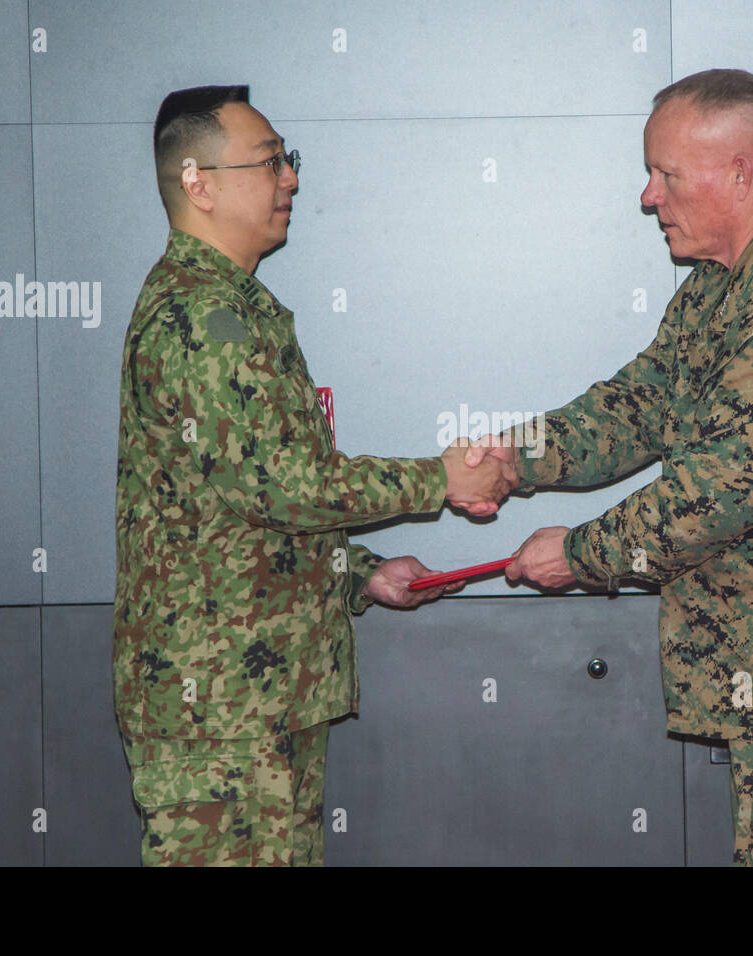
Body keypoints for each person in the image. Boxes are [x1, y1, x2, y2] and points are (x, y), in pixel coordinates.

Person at [463, 69, 753, 866]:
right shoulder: (721, 289)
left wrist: (579, 556)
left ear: (739, 173)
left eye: (666, 175)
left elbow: (718, 492)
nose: (649, 197)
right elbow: (638, 406)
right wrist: (515, 457)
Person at [114, 85, 515, 866]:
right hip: (217, 711)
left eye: (286, 160)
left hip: (261, 696)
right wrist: (439, 479)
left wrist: (356, 572)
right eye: (270, 162)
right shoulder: (198, 317)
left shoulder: (236, 307)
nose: (290, 178)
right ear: (198, 182)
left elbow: (239, 513)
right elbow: (285, 486)